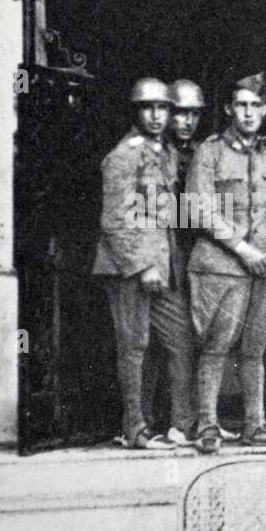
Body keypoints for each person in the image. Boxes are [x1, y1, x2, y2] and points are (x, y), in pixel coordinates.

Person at [185, 72, 266, 453]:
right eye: (241, 105)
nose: (248, 113)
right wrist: (241, 248)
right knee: (216, 345)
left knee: (255, 349)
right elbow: (198, 208)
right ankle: (207, 426)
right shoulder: (210, 151)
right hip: (222, 265)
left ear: (264, 111)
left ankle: (256, 425)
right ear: (229, 109)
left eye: (255, 106)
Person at [92, 76, 196, 449]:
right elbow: (115, 220)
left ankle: (181, 426)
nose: (156, 116)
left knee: (180, 340)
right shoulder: (123, 156)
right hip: (128, 269)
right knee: (134, 347)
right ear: (136, 112)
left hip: (163, 265)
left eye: (163, 108)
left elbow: (168, 213)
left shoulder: (164, 152)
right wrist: (143, 265)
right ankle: (134, 431)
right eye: (148, 108)